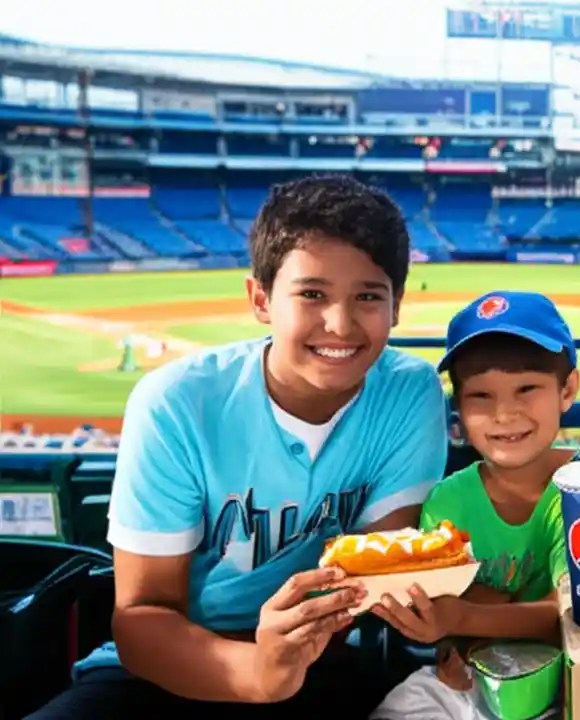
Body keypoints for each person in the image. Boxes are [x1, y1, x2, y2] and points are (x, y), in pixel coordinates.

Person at [27, 175, 450, 718]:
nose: (340, 325)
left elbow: (373, 571)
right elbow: (141, 620)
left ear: (396, 306)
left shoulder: (409, 393)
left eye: (368, 296)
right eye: (312, 294)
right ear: (260, 299)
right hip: (169, 664)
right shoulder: (177, 402)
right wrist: (258, 673)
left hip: (316, 655)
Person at [369, 290, 580, 720]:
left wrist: (464, 616)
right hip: (468, 683)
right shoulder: (448, 499)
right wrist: (460, 625)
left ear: (568, 389)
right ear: (458, 407)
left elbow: (569, 614)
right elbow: (446, 612)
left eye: (526, 388)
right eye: (480, 396)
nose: (504, 413)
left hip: (572, 684)